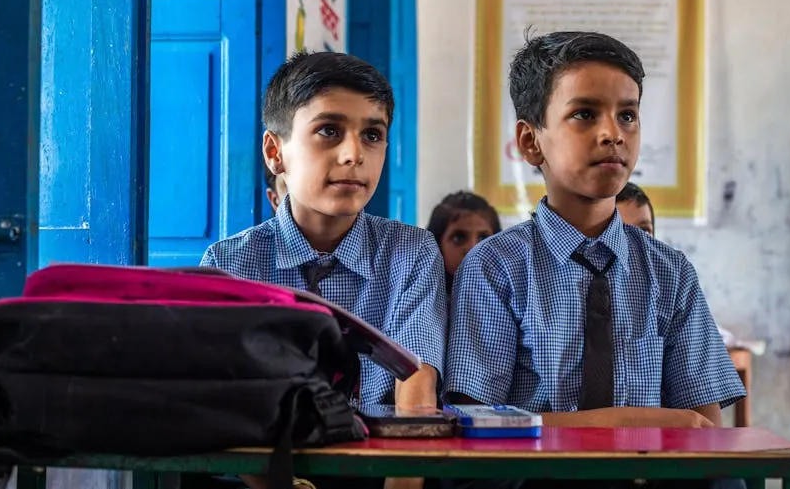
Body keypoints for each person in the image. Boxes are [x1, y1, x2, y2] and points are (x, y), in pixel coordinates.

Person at [443, 31, 746, 489]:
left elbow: (701, 432)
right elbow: (478, 426)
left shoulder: (670, 273)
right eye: (584, 114)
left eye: (628, 115)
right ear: (530, 142)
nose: (613, 134)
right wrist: (628, 421)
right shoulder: (495, 267)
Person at [201, 51, 446, 489]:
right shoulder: (230, 265)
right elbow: (231, 399)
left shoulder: (412, 251)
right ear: (276, 152)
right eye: (329, 131)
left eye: (373, 135)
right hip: (262, 475)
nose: (354, 154)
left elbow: (416, 376)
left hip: (378, 470)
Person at [426, 191, 502, 293]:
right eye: (459, 238)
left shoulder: (507, 299)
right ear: (438, 244)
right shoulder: (422, 299)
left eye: (483, 239)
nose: (472, 248)